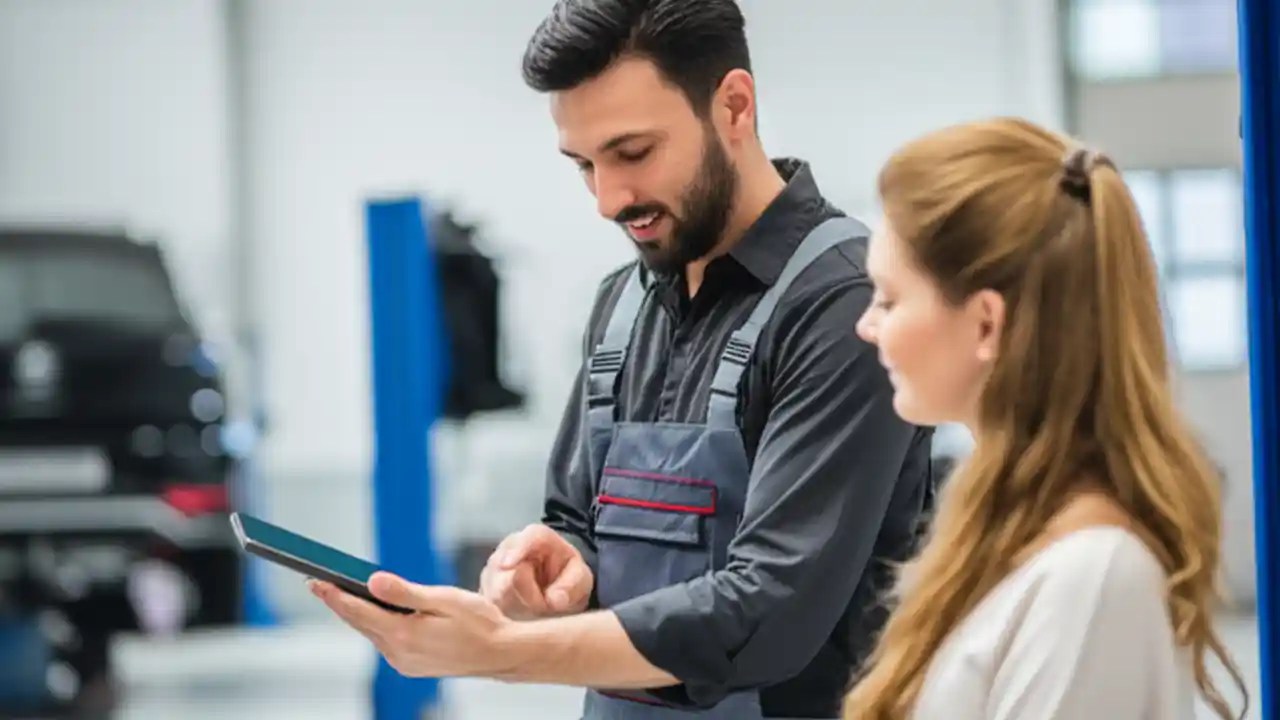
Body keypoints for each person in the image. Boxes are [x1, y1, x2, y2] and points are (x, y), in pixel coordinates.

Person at [309, 1, 933, 718]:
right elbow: (577, 517)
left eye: (633, 153)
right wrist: (563, 564)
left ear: (734, 105)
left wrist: (501, 651)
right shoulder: (620, 305)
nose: (609, 199)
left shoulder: (843, 306)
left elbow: (771, 613)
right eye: (584, 165)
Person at [841, 117, 1248, 720]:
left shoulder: (1092, 577)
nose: (867, 325)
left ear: (985, 324)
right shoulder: (1002, 526)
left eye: (888, 298)